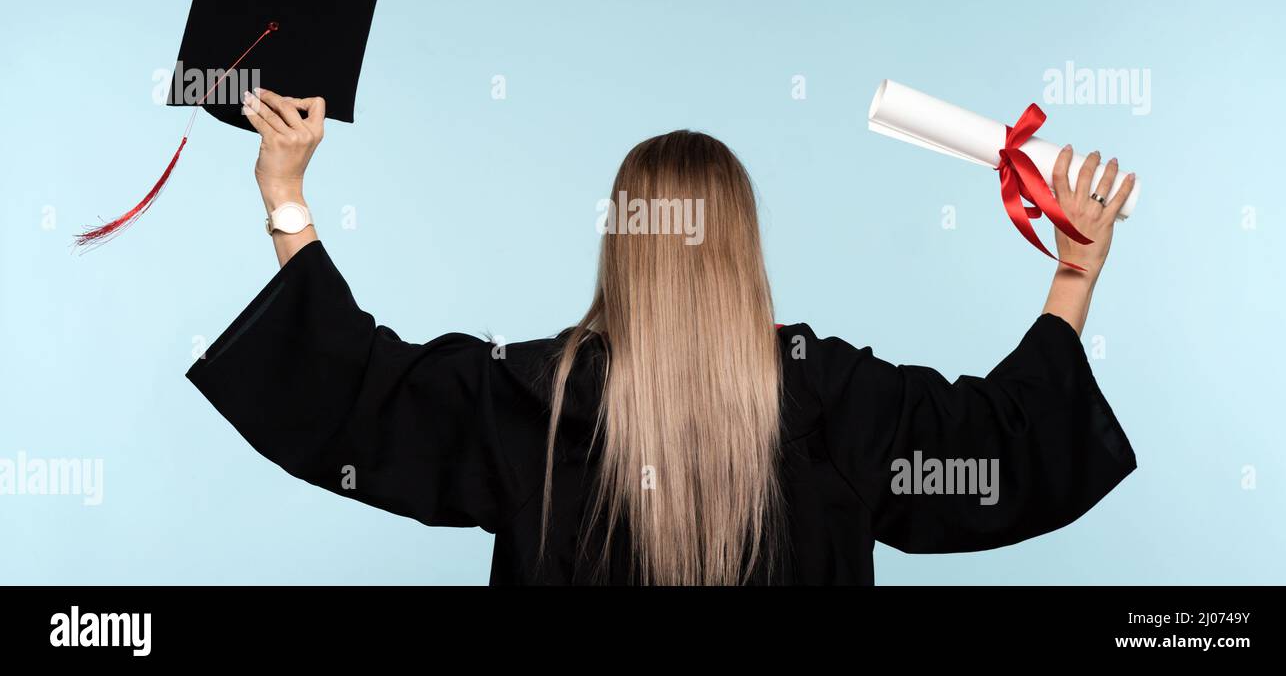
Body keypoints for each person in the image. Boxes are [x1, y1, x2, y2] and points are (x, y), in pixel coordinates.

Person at [187, 87, 1138, 586]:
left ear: (623, 244)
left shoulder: (533, 398)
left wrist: (286, 197)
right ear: (743, 246)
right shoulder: (835, 397)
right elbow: (1007, 440)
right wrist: (1072, 271)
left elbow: (361, 388)